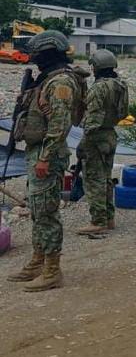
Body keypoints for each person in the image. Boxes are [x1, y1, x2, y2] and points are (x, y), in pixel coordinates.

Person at [6, 30, 86, 291]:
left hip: (46, 155)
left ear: (50, 52)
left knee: (47, 213)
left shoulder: (60, 82)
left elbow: (60, 125)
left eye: (38, 53)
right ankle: (38, 260)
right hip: (37, 152)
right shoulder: (46, 79)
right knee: (38, 211)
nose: (35, 57)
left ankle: (52, 269)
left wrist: (45, 158)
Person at [77, 50, 129, 237]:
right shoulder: (120, 85)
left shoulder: (99, 88)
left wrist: (84, 142)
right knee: (106, 178)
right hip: (110, 134)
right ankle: (108, 217)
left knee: (93, 179)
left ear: (97, 67)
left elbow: (93, 118)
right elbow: (123, 113)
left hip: (96, 136)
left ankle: (98, 221)